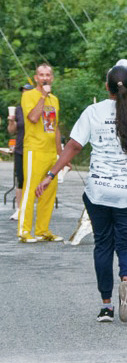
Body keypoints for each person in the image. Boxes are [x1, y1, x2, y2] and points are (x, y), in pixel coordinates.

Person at [35, 66, 127, 322]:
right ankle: (126, 279)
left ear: (106, 87)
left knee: (103, 244)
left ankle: (106, 306)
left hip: (98, 192)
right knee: (126, 244)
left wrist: (50, 175)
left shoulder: (93, 112)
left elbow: (73, 146)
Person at [18, 63, 63, 242]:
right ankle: (24, 231)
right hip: (34, 150)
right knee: (30, 190)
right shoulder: (28, 95)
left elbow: (55, 127)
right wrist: (43, 96)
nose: (45, 78)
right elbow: (33, 117)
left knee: (49, 192)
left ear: (52, 78)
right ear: (36, 78)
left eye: (48, 75)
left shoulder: (55, 100)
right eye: (41, 75)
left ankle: (42, 230)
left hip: (50, 151)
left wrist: (60, 153)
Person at [7, 92, 27, 221]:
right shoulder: (18, 109)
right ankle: (19, 210)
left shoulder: (38, 107)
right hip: (20, 148)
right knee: (20, 180)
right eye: (23, 92)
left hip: (35, 149)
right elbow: (12, 131)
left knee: (35, 180)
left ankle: (33, 209)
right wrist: (11, 120)